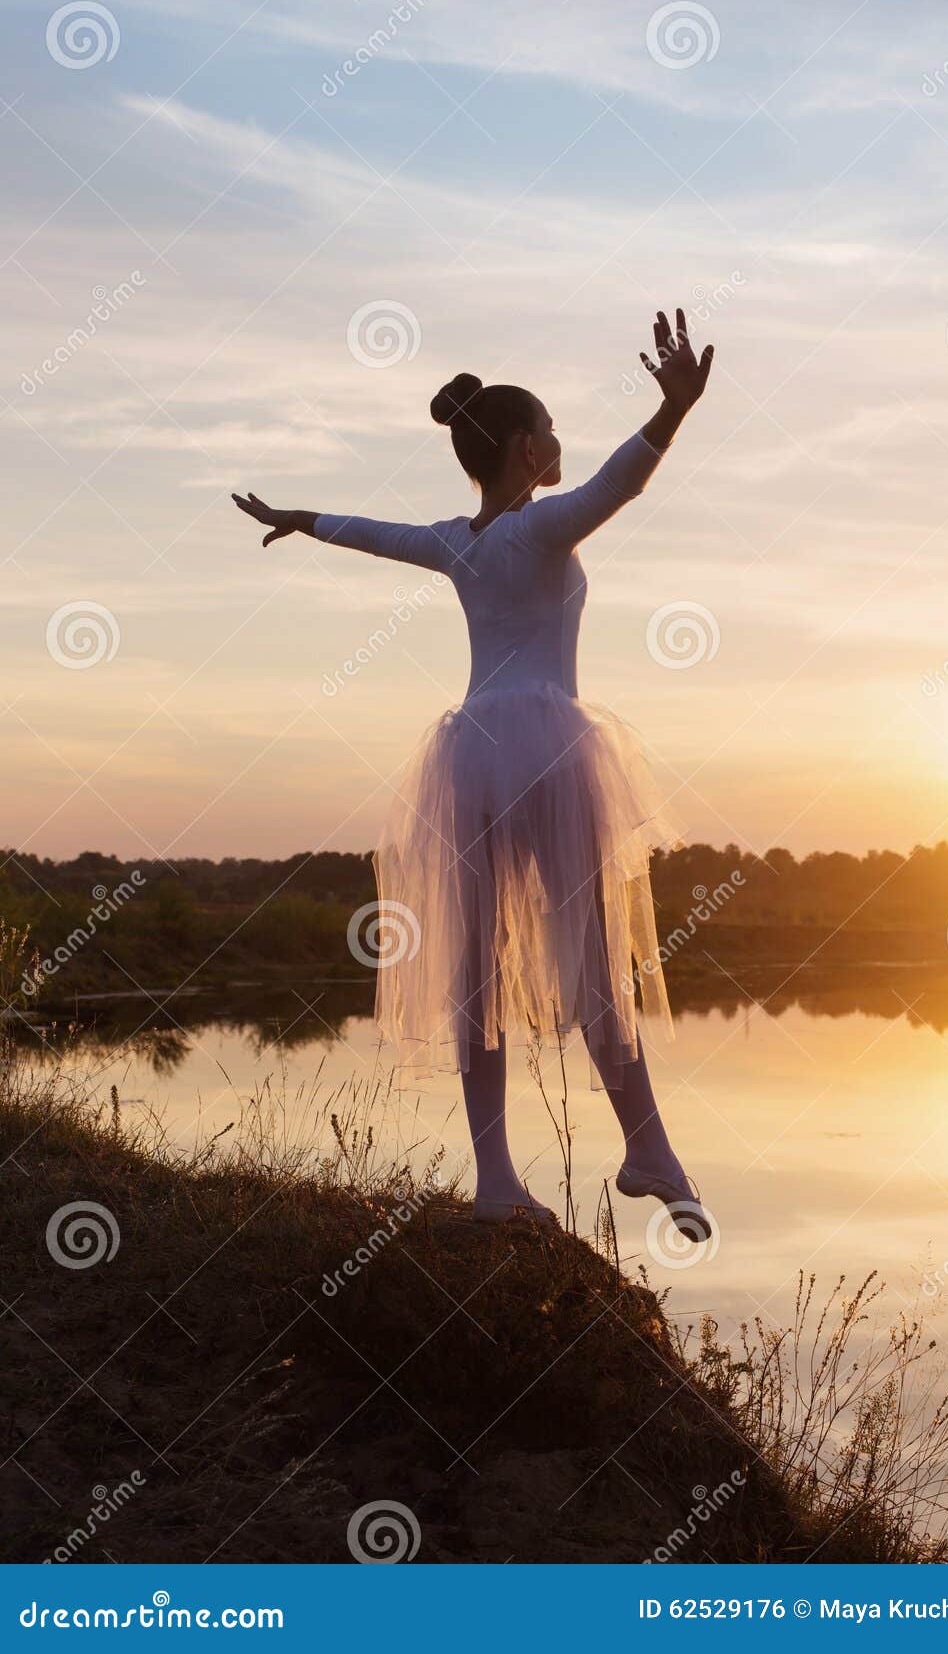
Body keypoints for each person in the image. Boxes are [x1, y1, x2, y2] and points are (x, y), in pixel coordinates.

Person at [233, 309, 714, 1237]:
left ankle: (495, 1177)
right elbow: (621, 482)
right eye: (552, 430)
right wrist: (672, 413)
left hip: (469, 759)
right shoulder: (540, 534)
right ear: (529, 450)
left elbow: (372, 533)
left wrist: (301, 519)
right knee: (591, 961)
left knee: (475, 973)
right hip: (548, 751)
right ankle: (648, 1147)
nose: (562, 444)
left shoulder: (457, 540)